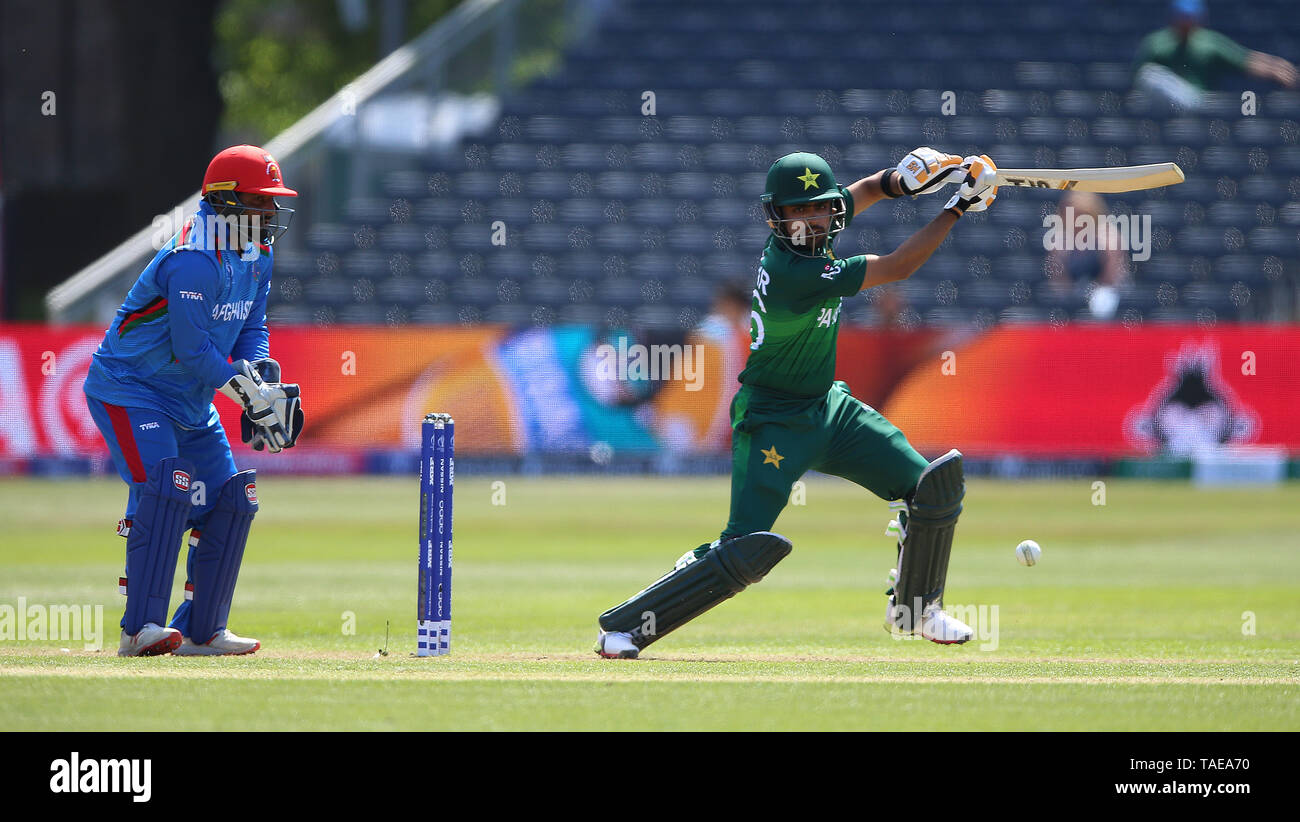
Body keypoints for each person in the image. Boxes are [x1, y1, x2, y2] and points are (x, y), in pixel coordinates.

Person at [593, 148, 998, 658]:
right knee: (744, 548)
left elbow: (868, 190)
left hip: (829, 410)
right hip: (773, 423)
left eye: (819, 209)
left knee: (931, 490)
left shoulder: (817, 224)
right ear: (776, 217)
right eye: (797, 212)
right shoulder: (795, 273)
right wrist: (959, 204)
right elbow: (899, 266)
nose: (810, 221)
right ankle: (625, 629)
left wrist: (907, 178)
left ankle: (918, 609)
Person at [83, 144, 304, 657]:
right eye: (260, 203)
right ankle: (140, 629)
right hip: (131, 390)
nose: (270, 214)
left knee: (232, 498)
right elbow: (191, 350)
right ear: (225, 203)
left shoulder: (257, 254)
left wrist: (261, 373)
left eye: (273, 203)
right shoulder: (194, 259)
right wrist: (244, 391)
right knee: (166, 488)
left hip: (189, 402)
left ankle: (202, 630)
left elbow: (252, 326)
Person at [1134, 0, 1298, 110]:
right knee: (1150, 74)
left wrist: (1277, 67)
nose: (1186, 22)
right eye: (1183, 17)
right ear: (1174, 18)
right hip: (1162, 107)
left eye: (1190, 18)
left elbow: (1245, 59)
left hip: (1199, 103)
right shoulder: (1157, 42)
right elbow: (1139, 79)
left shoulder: (1208, 42)